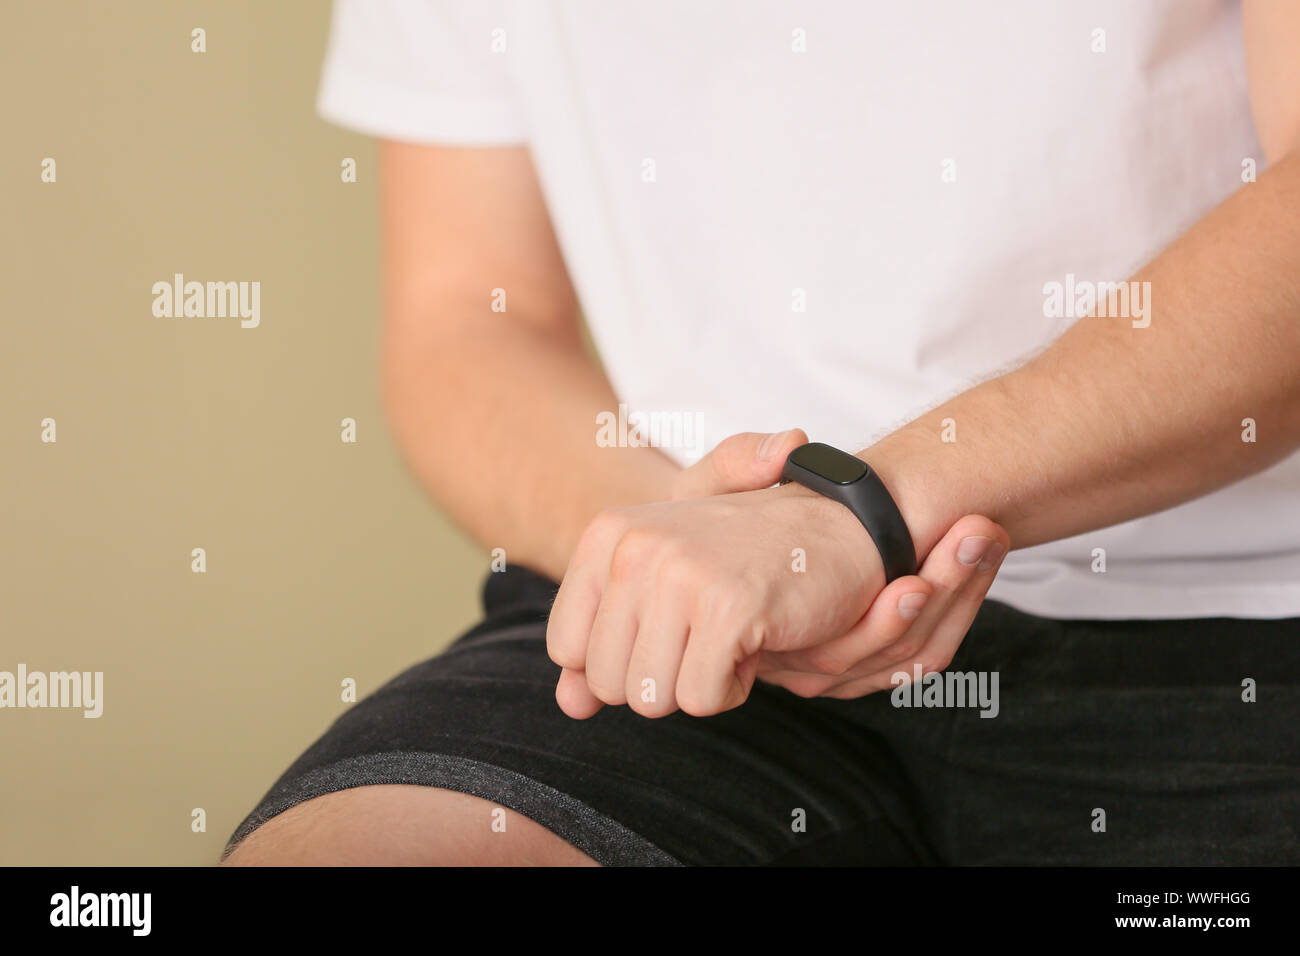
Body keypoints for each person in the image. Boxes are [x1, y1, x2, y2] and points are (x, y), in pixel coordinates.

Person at [223, 0, 1300, 866]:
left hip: (1237, 632)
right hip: (706, 646)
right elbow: (467, 319)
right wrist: (683, 568)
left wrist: (856, 515)